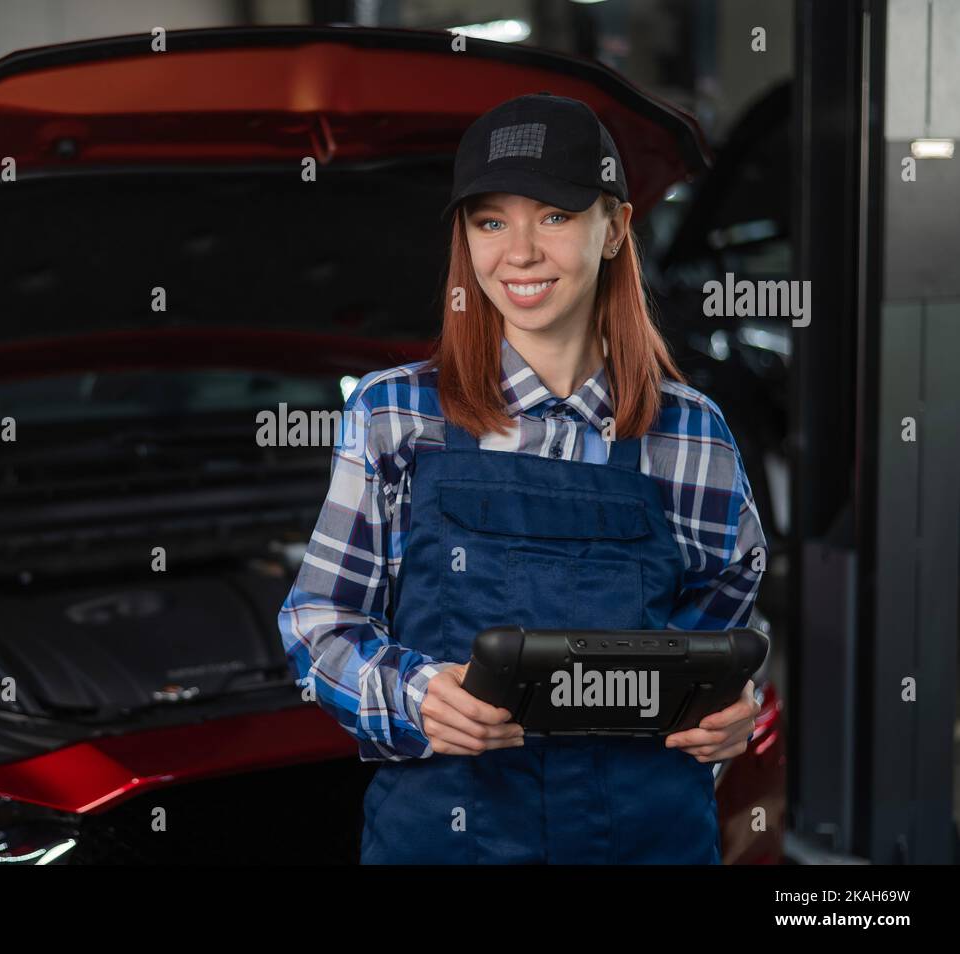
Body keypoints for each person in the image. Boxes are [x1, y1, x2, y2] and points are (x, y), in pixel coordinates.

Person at [276, 92, 767, 865]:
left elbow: (727, 640)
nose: (520, 252)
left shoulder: (690, 433)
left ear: (615, 229)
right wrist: (415, 696)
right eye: (491, 221)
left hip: (647, 841)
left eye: (555, 216)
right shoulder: (396, 414)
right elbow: (318, 624)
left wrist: (735, 711)